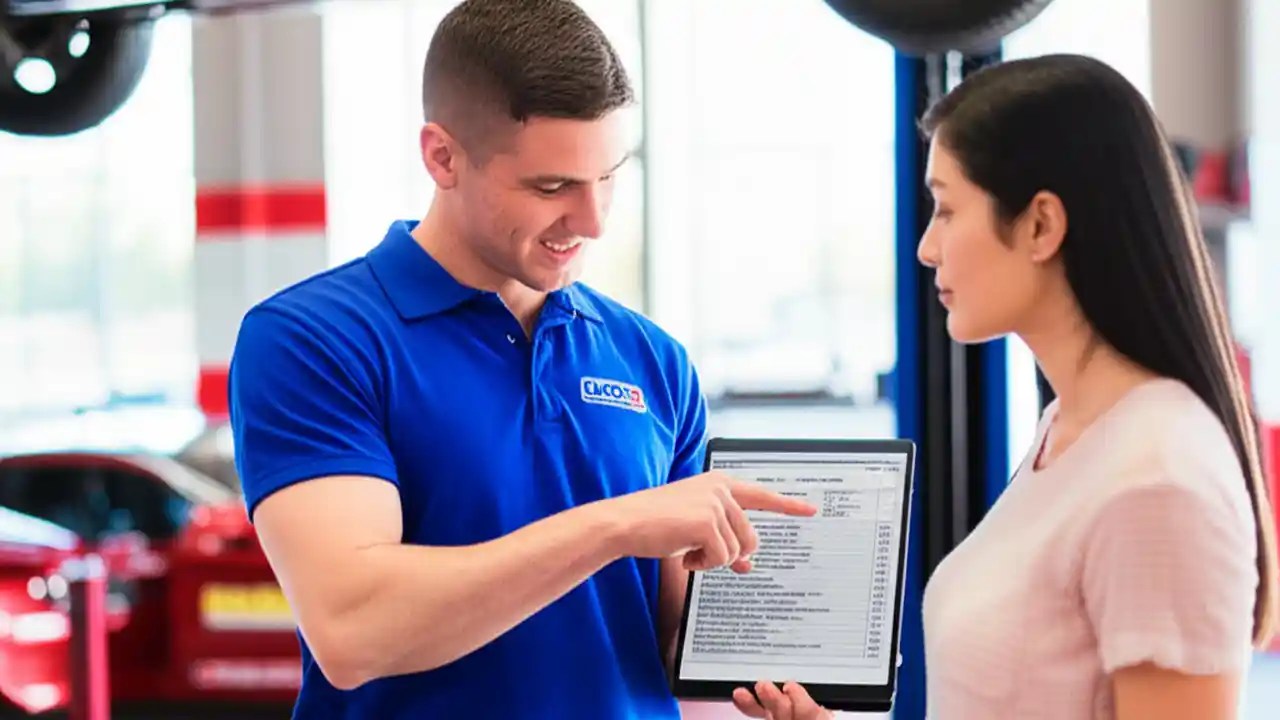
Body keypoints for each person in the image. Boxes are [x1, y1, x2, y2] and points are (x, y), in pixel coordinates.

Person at [226, 1, 817, 718]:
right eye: (551, 187)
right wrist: (614, 525)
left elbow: (671, 650)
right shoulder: (312, 340)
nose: (593, 221)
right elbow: (355, 630)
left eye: (609, 177)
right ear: (441, 156)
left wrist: (778, 690)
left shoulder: (650, 358)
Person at [733, 53, 1280, 720]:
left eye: (946, 209)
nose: (927, 248)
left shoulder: (1155, 479)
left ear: (1041, 225)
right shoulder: (1072, 429)